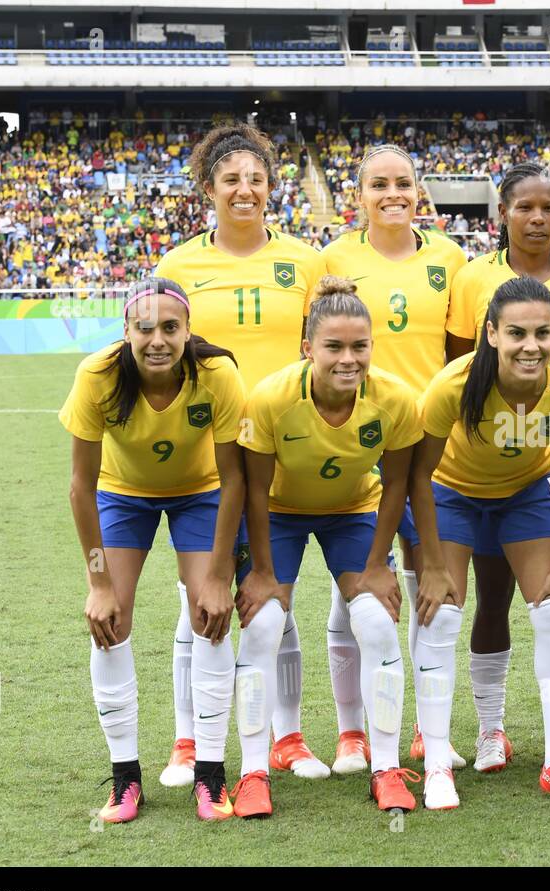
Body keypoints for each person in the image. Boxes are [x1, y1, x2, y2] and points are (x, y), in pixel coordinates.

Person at [155, 122, 330, 786]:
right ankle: (185, 740)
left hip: (283, 454)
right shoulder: (177, 265)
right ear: (209, 187)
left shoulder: (306, 262)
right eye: (231, 179)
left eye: (256, 178)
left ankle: (286, 736)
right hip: (206, 457)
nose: (245, 189)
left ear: (271, 187)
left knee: (273, 603)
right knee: (196, 600)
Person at [406, 276, 550, 806]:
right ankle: (441, 762)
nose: (530, 345)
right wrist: (430, 565)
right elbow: (419, 475)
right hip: (452, 494)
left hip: (527, 494)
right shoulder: (452, 385)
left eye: (542, 333)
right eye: (516, 333)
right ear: (490, 333)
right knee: (442, 612)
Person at [233, 277, 424, 816]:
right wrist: (264, 573)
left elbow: (397, 485)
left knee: (377, 622)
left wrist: (375, 566)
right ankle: (252, 773)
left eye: (359, 346)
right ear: (307, 348)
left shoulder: (394, 400)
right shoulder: (270, 398)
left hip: (354, 513)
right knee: (265, 624)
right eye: (334, 347)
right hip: (278, 515)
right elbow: (252, 489)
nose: (348, 358)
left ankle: (385, 768)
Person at [61, 278, 245, 823]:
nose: (157, 339)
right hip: (123, 496)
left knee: (208, 616)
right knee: (110, 620)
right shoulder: (97, 376)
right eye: (145, 328)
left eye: (170, 327)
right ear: (126, 332)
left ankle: (210, 777)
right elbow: (80, 486)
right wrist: (98, 582)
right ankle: (125, 781)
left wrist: (216, 575)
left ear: (189, 332)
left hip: (201, 494)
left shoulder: (217, 374)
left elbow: (234, 480)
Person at [446, 162, 550, 773]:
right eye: (525, 208)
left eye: (549, 208)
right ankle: (492, 729)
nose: (538, 218)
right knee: (491, 596)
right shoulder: (471, 280)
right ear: (503, 215)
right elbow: (465, 370)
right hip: (486, 464)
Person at [322, 143, 471, 770]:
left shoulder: (450, 257)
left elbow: (460, 349)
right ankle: (352, 730)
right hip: (359, 441)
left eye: (403, 183)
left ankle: (422, 728)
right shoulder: (333, 259)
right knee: (356, 587)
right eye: (378, 184)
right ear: (358, 195)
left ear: (419, 192)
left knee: (426, 582)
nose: (392, 194)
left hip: (429, 445)